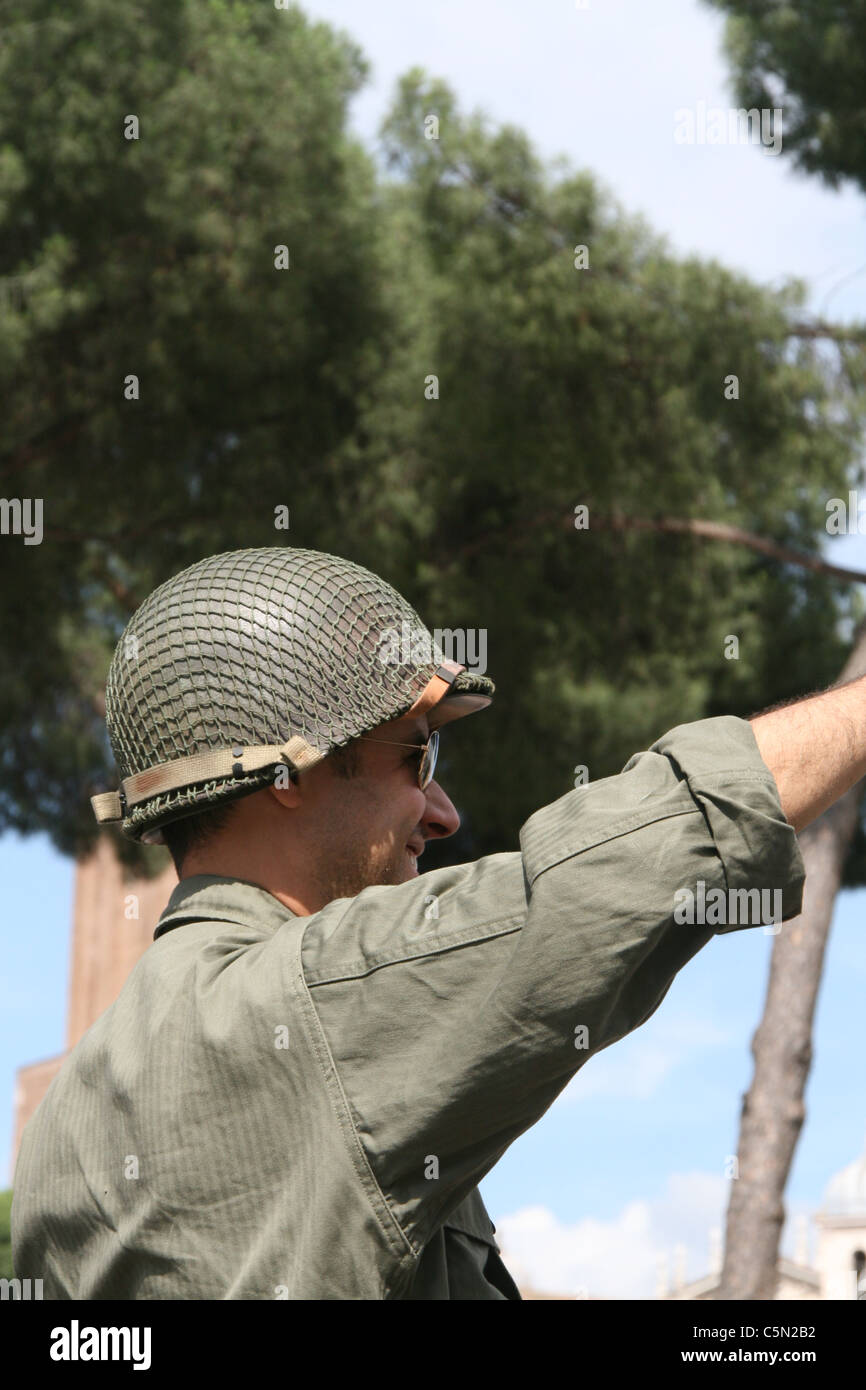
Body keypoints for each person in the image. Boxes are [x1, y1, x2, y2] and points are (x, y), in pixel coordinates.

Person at [10, 545, 858, 1298]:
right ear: (287, 773)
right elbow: (610, 877)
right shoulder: (310, 1008)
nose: (444, 812)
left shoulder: (64, 1122)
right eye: (417, 752)